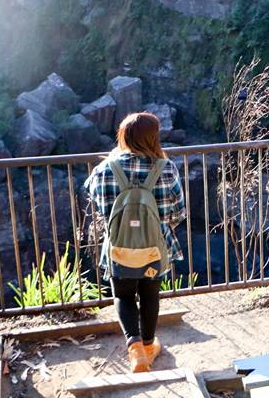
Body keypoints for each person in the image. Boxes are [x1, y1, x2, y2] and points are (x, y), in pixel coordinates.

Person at [85, 111, 185, 373]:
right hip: (155, 246)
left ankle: (135, 349)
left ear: (123, 136)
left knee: (124, 295)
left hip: (120, 246)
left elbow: (96, 201)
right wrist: (154, 227)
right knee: (150, 295)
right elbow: (178, 212)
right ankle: (149, 346)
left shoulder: (105, 169)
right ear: (154, 138)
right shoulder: (166, 168)